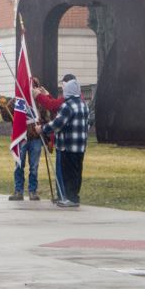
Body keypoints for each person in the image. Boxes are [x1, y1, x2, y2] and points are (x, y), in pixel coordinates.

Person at [38, 75, 89, 208]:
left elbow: (57, 124)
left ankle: (69, 199)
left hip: (67, 146)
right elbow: (87, 124)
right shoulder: (83, 105)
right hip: (80, 146)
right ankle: (75, 197)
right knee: (77, 173)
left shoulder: (67, 106)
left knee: (68, 173)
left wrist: (42, 129)